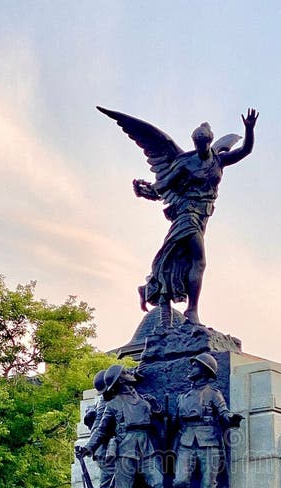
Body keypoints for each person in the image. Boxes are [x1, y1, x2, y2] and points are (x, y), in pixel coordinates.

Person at [98, 106, 258, 325]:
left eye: (203, 144)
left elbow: (246, 150)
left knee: (179, 260)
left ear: (209, 143)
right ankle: (191, 311)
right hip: (187, 214)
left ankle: (153, 290)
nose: (200, 148)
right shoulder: (184, 163)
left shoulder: (219, 160)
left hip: (203, 216)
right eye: (197, 144)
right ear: (194, 143)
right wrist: (144, 190)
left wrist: (249, 129)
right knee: (198, 261)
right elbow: (162, 187)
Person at [76, 364, 170, 488]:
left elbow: (159, 417)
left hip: (146, 447)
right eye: (125, 373)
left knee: (157, 483)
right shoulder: (111, 403)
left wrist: (157, 408)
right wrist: (88, 447)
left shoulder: (143, 399)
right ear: (120, 380)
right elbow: (101, 430)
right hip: (124, 448)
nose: (130, 374)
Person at [173, 353, 243, 488]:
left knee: (207, 485)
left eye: (195, 366)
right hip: (186, 441)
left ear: (204, 371)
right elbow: (175, 421)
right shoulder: (182, 397)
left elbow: (224, 413)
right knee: (180, 481)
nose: (190, 369)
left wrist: (231, 419)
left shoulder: (214, 394)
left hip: (208, 441)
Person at [79, 370, 115, 488]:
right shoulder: (106, 404)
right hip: (106, 452)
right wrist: (88, 448)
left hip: (107, 451)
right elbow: (100, 431)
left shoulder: (108, 401)